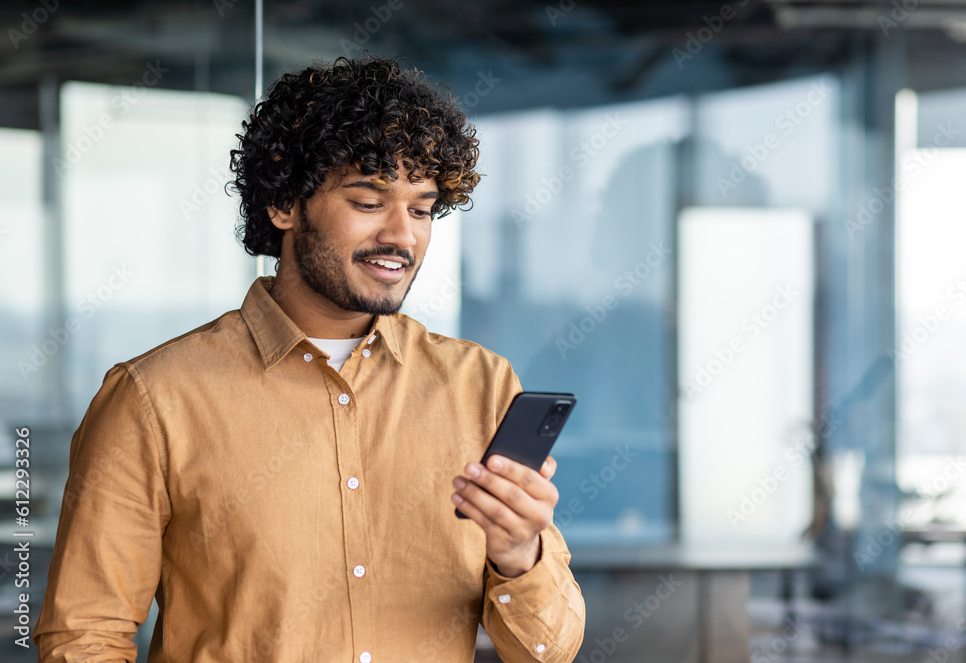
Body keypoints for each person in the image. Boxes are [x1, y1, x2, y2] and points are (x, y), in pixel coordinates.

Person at [33, 56, 585, 662]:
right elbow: (83, 639)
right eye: (369, 202)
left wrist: (519, 555)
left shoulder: (480, 386)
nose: (403, 235)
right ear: (284, 204)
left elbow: (547, 651)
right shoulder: (154, 398)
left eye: (422, 209)